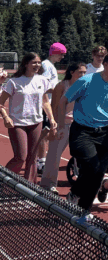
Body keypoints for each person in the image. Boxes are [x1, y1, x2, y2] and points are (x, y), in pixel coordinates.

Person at [65, 52, 108, 214]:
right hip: (82, 131)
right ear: (106, 64)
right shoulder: (86, 81)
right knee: (92, 167)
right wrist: (59, 124)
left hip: (106, 132)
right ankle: (75, 192)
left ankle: (83, 209)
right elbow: (64, 100)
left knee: (99, 173)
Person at [0, 53, 56, 183]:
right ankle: (3, 179)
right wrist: (5, 117)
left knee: (32, 158)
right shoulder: (14, 82)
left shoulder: (42, 80)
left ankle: (29, 186)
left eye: (39, 62)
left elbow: (45, 101)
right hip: (17, 123)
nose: (37, 65)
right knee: (21, 156)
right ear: (26, 64)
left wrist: (51, 118)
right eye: (34, 62)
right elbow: (1, 103)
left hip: (36, 122)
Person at [41, 62, 88, 191]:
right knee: (54, 155)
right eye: (80, 72)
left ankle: (82, 182)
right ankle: (48, 184)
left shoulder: (84, 86)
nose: (83, 75)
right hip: (63, 125)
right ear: (72, 72)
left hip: (79, 125)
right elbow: (55, 107)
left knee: (83, 155)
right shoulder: (62, 86)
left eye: (85, 72)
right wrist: (55, 126)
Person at [36, 43, 66, 175]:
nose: (62, 57)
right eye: (61, 54)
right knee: (45, 131)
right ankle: (40, 161)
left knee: (48, 131)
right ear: (54, 53)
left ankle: (40, 159)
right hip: (45, 103)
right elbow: (44, 84)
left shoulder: (49, 65)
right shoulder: (46, 66)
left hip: (48, 102)